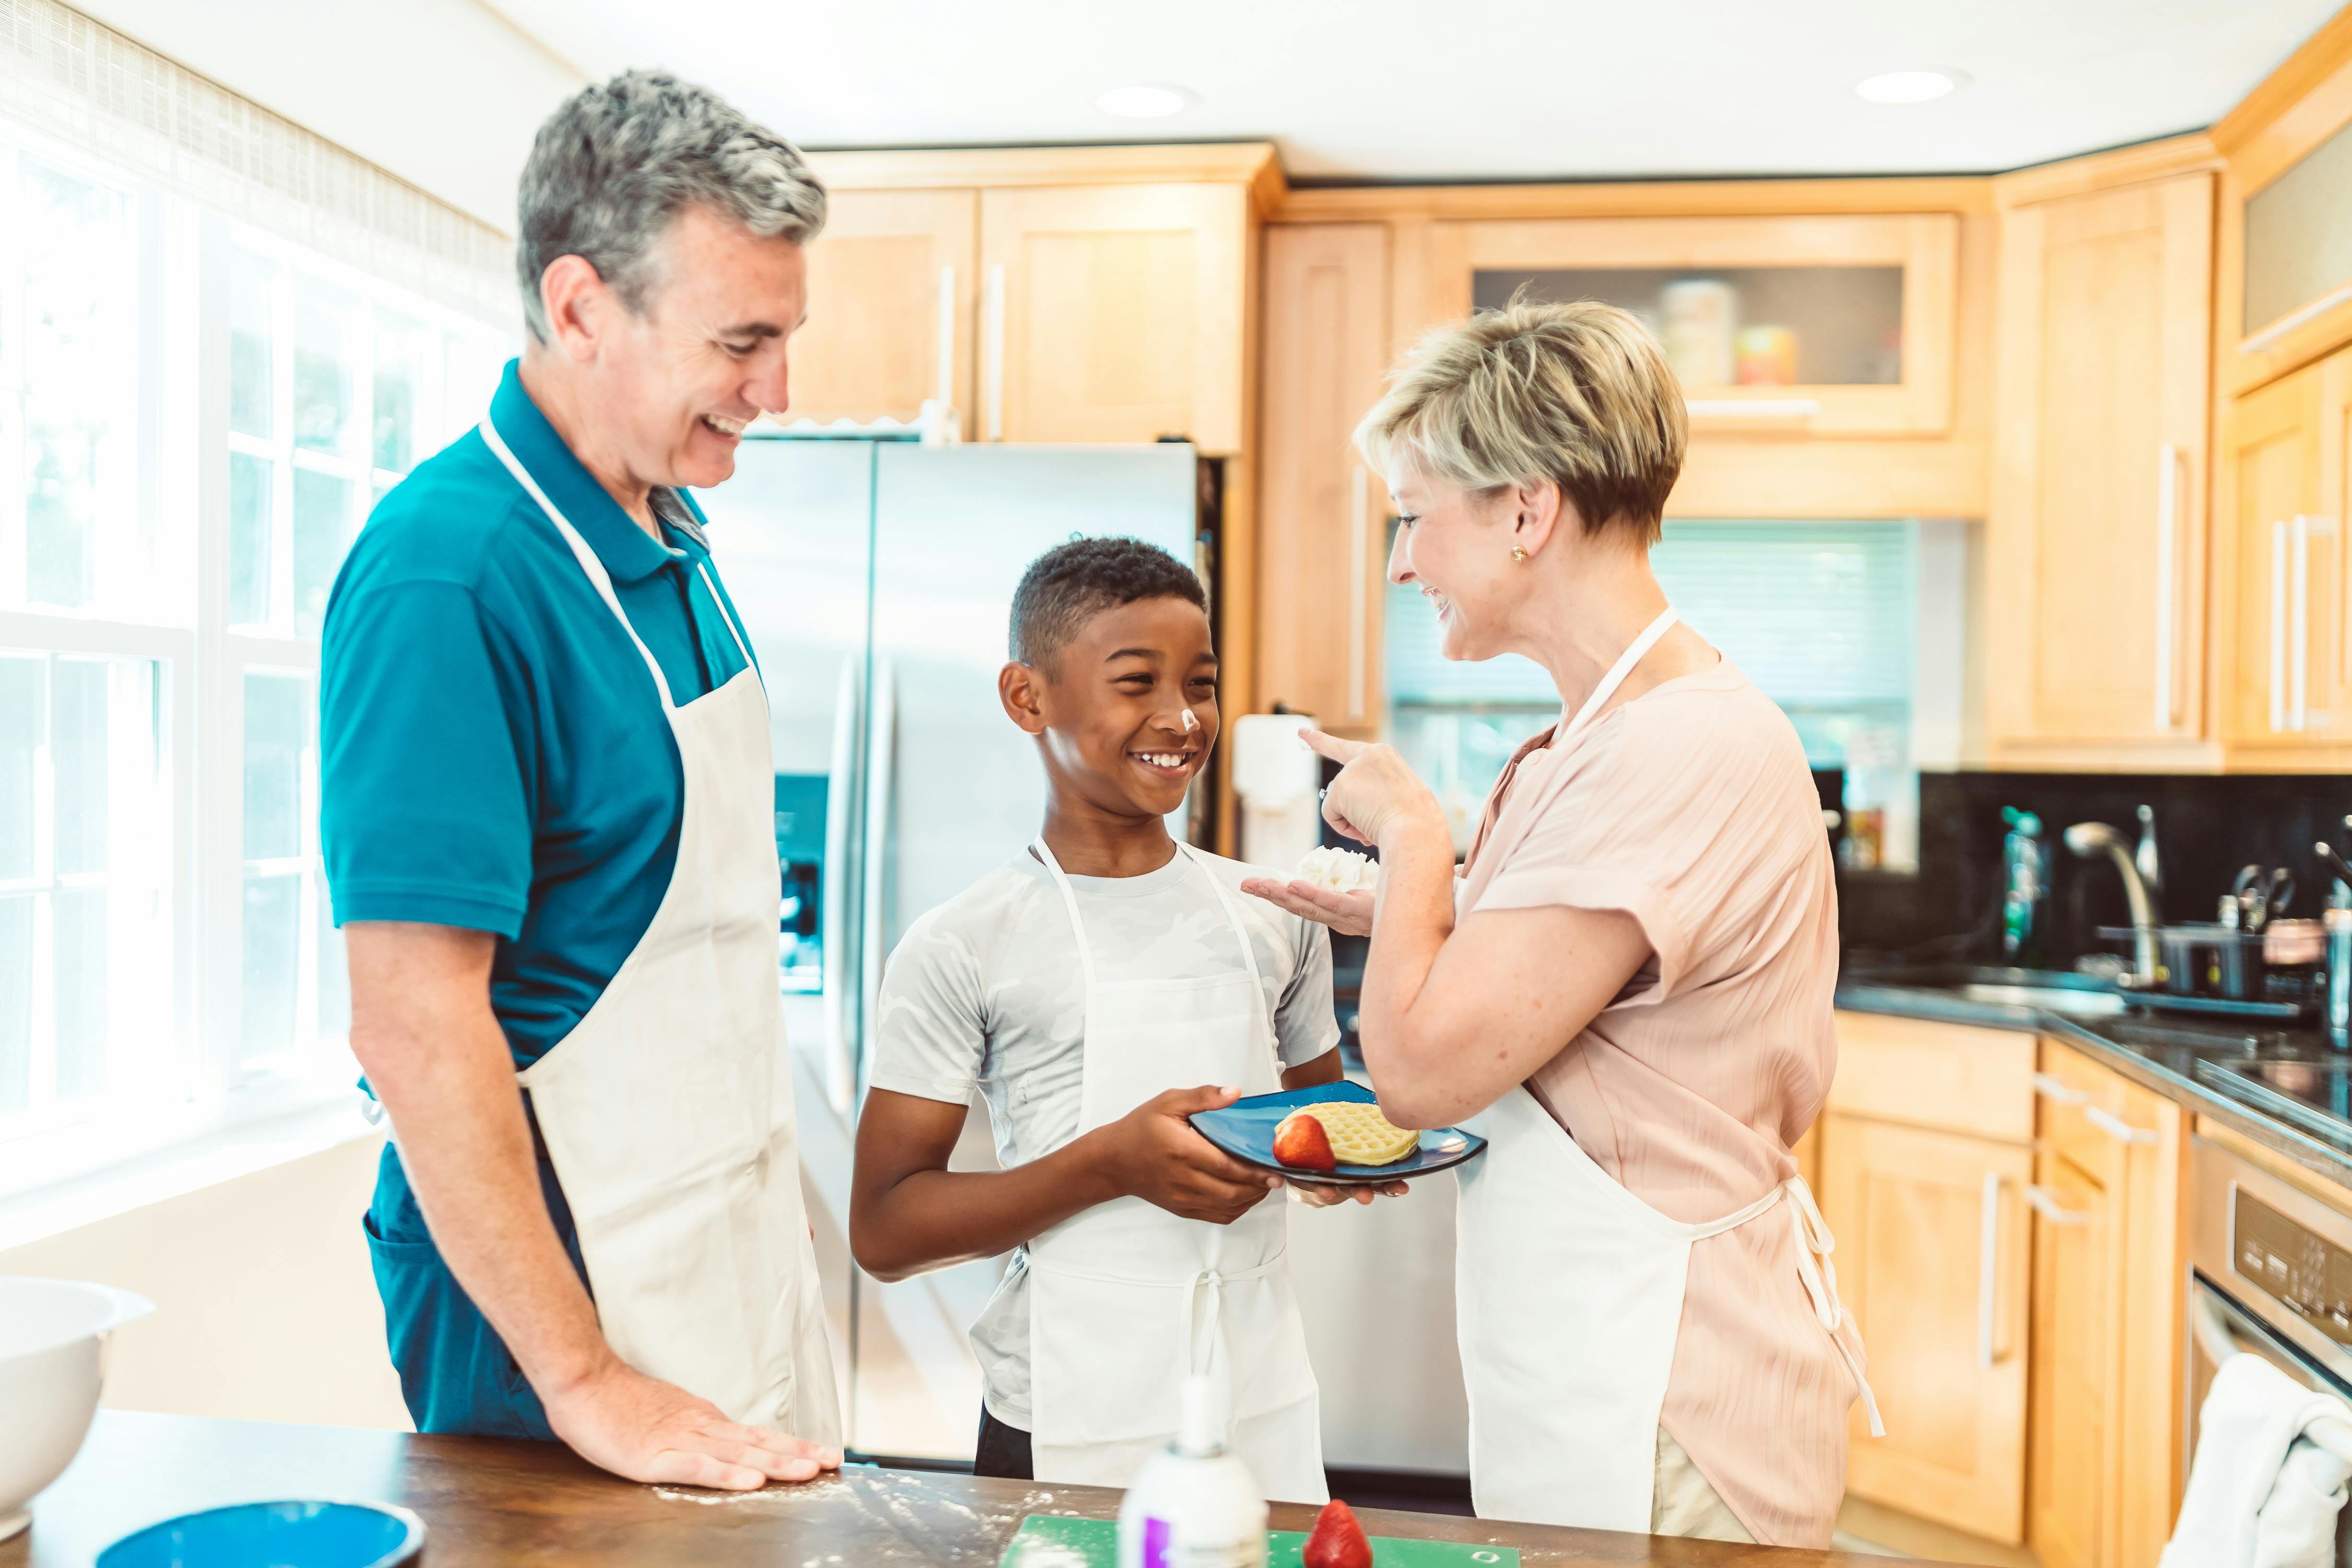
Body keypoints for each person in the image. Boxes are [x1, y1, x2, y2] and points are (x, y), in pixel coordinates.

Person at [1242, 298, 1876, 1549]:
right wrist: (1429, 903)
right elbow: (1571, 996)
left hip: (1671, 1389)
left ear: (1526, 513)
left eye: (1415, 514)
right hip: (1607, 1360)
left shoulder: (1674, 746)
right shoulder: (1599, 734)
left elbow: (1423, 1073)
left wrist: (1417, 838)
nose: (1400, 563)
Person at [322, 72, 842, 1491]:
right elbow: (413, 1022)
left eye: (785, 339)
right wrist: (583, 1375)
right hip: (558, 1309)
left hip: (715, 1244)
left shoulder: (671, 529)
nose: (776, 392)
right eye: (740, 341)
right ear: (577, 307)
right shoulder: (453, 571)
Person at [849, 538, 1389, 1502]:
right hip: (1060, 1409)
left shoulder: (1273, 911)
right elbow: (887, 1230)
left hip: (1252, 1393)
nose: (1181, 719)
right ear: (1028, 698)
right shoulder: (965, 943)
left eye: (1201, 684)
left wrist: (1352, 1159)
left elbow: (1316, 1123)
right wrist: (1111, 1164)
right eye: (1136, 683)